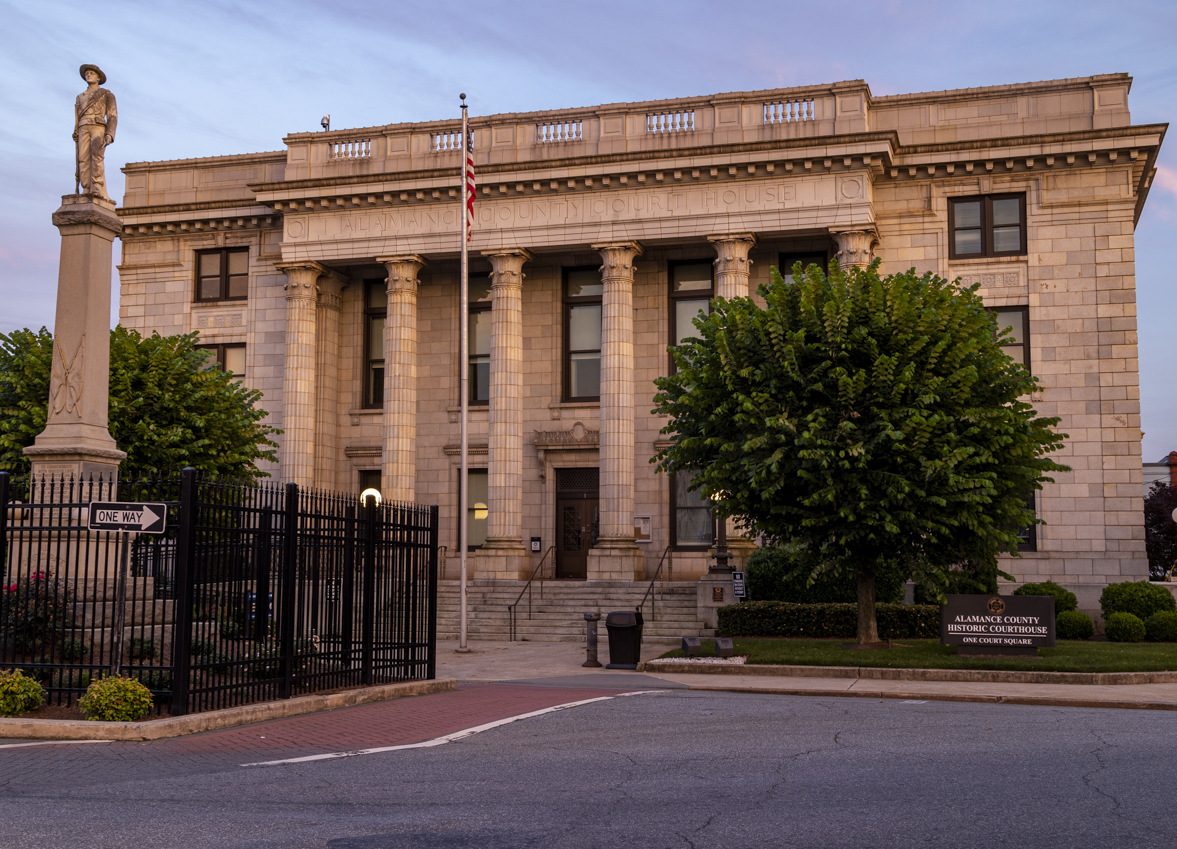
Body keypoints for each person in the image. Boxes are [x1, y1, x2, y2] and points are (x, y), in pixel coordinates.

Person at [73, 64, 117, 198]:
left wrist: (109, 134)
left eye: (92, 73)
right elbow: (77, 116)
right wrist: (76, 130)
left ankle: (97, 186)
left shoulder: (106, 94)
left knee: (97, 156)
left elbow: (112, 116)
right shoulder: (80, 97)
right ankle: (86, 188)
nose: (88, 75)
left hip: (98, 126)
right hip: (83, 127)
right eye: (87, 73)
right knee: (83, 159)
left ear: (98, 78)